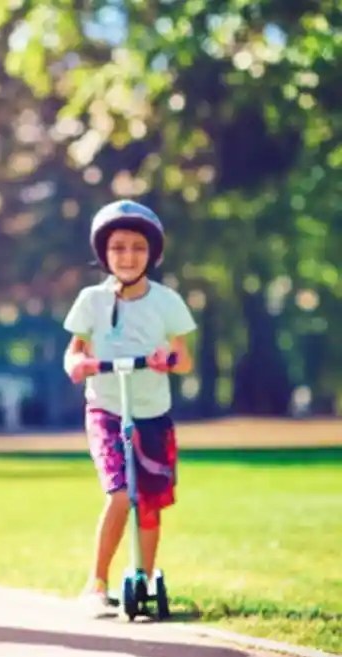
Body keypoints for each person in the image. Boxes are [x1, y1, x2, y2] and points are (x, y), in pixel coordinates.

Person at [62, 200, 195, 617]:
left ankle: (145, 575)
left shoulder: (166, 301)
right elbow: (74, 352)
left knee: (150, 501)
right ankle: (96, 582)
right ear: (105, 254)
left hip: (153, 412)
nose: (127, 256)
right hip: (107, 409)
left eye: (137, 247)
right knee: (121, 493)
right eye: (118, 247)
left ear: (151, 254)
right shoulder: (91, 300)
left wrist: (166, 359)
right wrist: (78, 366)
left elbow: (183, 357)